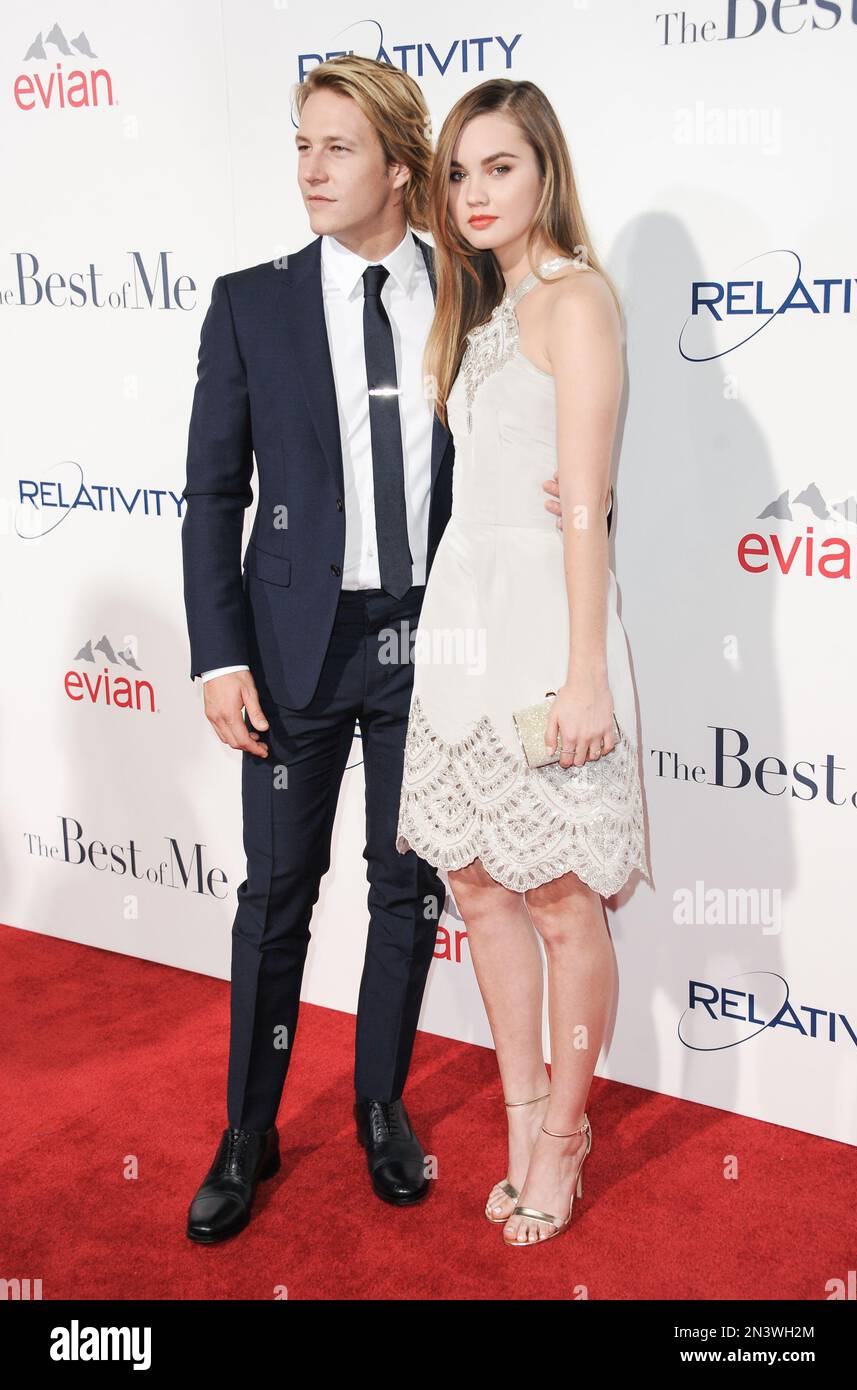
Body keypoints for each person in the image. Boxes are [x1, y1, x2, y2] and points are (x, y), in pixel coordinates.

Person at [180, 56, 565, 1243]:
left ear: (400, 165)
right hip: (293, 642)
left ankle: (380, 1105)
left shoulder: (474, 291)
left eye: (337, 147)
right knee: (275, 894)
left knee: (405, 888)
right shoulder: (251, 300)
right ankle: (248, 1129)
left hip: (432, 638)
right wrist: (217, 652)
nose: (310, 167)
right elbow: (211, 492)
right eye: (301, 144)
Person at [395, 79, 650, 1248]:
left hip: (545, 627)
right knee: (481, 886)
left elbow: (585, 505)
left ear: (544, 167)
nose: (474, 192)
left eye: (498, 166)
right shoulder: (480, 314)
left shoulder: (574, 300)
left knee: (558, 901)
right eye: (457, 172)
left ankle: (565, 1138)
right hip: (464, 617)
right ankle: (522, 1107)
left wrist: (585, 674)